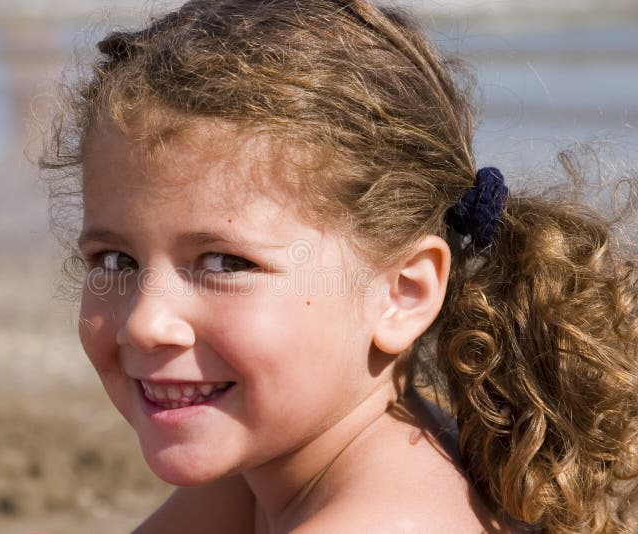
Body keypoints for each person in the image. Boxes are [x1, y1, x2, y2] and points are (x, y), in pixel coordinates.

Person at [39, 1, 638, 532]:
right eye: (116, 259)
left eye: (224, 262)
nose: (145, 323)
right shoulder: (268, 474)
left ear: (402, 292)